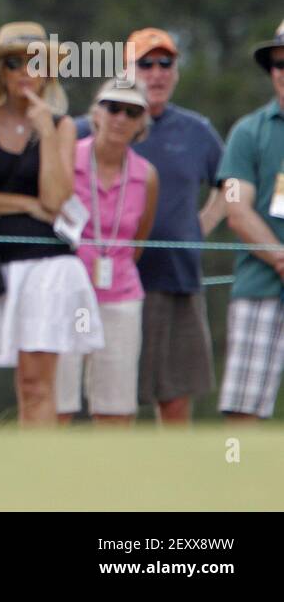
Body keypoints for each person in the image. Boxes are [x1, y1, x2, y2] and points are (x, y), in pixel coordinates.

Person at [0, 22, 102, 427]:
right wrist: (23, 203)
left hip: (48, 264)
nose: (26, 72)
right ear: (0, 72)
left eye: (36, 63)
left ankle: (34, 485)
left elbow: (55, 200)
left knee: (35, 384)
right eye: (14, 63)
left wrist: (44, 131)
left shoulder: (60, 126)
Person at [75, 28, 225, 424]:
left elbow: (232, 187)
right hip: (101, 284)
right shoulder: (91, 125)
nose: (156, 73)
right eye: (146, 63)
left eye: (165, 64)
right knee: (105, 398)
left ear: (176, 72)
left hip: (175, 279)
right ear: (126, 69)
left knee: (174, 397)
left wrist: (201, 226)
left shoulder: (197, 130)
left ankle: (172, 483)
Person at [57, 82, 159, 426]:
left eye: (132, 112)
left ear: (141, 122)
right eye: (113, 107)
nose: (120, 118)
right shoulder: (67, 157)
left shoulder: (147, 176)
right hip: (66, 290)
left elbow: (139, 240)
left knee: (115, 405)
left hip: (121, 294)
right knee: (58, 399)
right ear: (96, 113)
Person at [216, 19, 284, 423]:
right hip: (262, 287)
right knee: (243, 414)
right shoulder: (247, 131)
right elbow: (235, 210)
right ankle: (239, 486)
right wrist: (280, 259)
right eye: (279, 65)